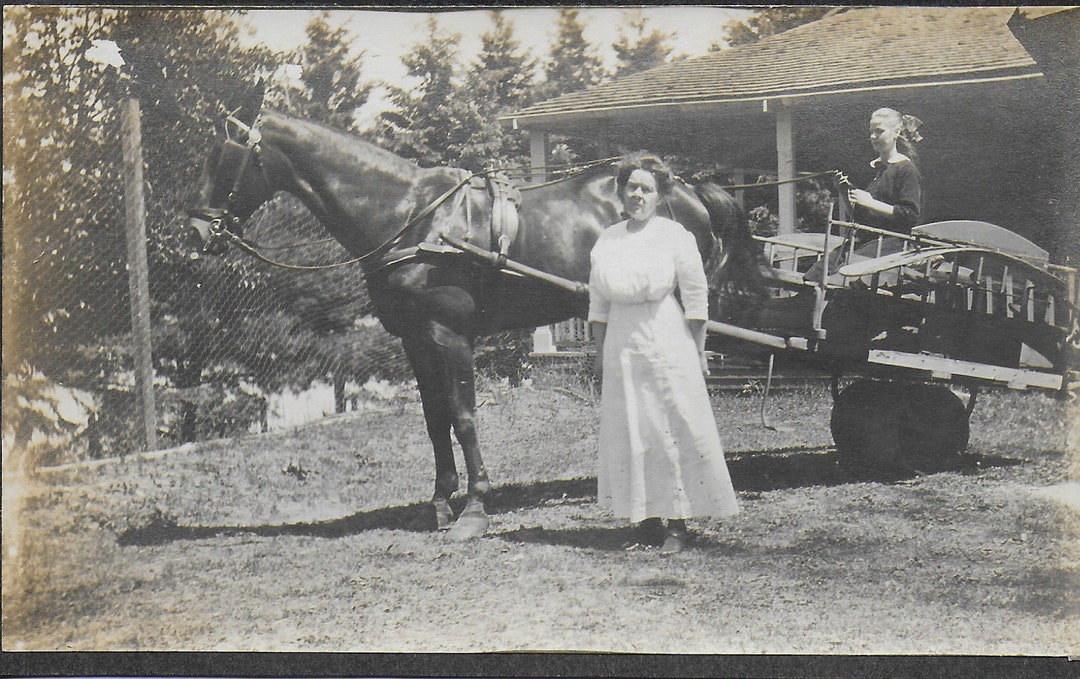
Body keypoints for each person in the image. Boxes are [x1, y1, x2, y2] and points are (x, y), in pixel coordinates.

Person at [588, 153, 739, 554]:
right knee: (632, 428)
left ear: (659, 196)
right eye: (630, 187)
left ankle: (678, 521)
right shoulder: (608, 238)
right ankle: (645, 519)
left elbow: (695, 298)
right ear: (620, 193)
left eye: (645, 189)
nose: (636, 195)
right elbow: (598, 305)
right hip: (622, 341)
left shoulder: (675, 236)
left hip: (664, 336)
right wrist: (600, 353)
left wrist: (699, 350)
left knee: (668, 427)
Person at [847, 107, 924, 234]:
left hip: (890, 246)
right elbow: (860, 217)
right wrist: (844, 193)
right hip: (866, 243)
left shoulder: (906, 169)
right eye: (871, 131)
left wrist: (870, 202)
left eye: (879, 131)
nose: (873, 136)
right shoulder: (874, 168)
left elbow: (910, 216)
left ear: (896, 132)